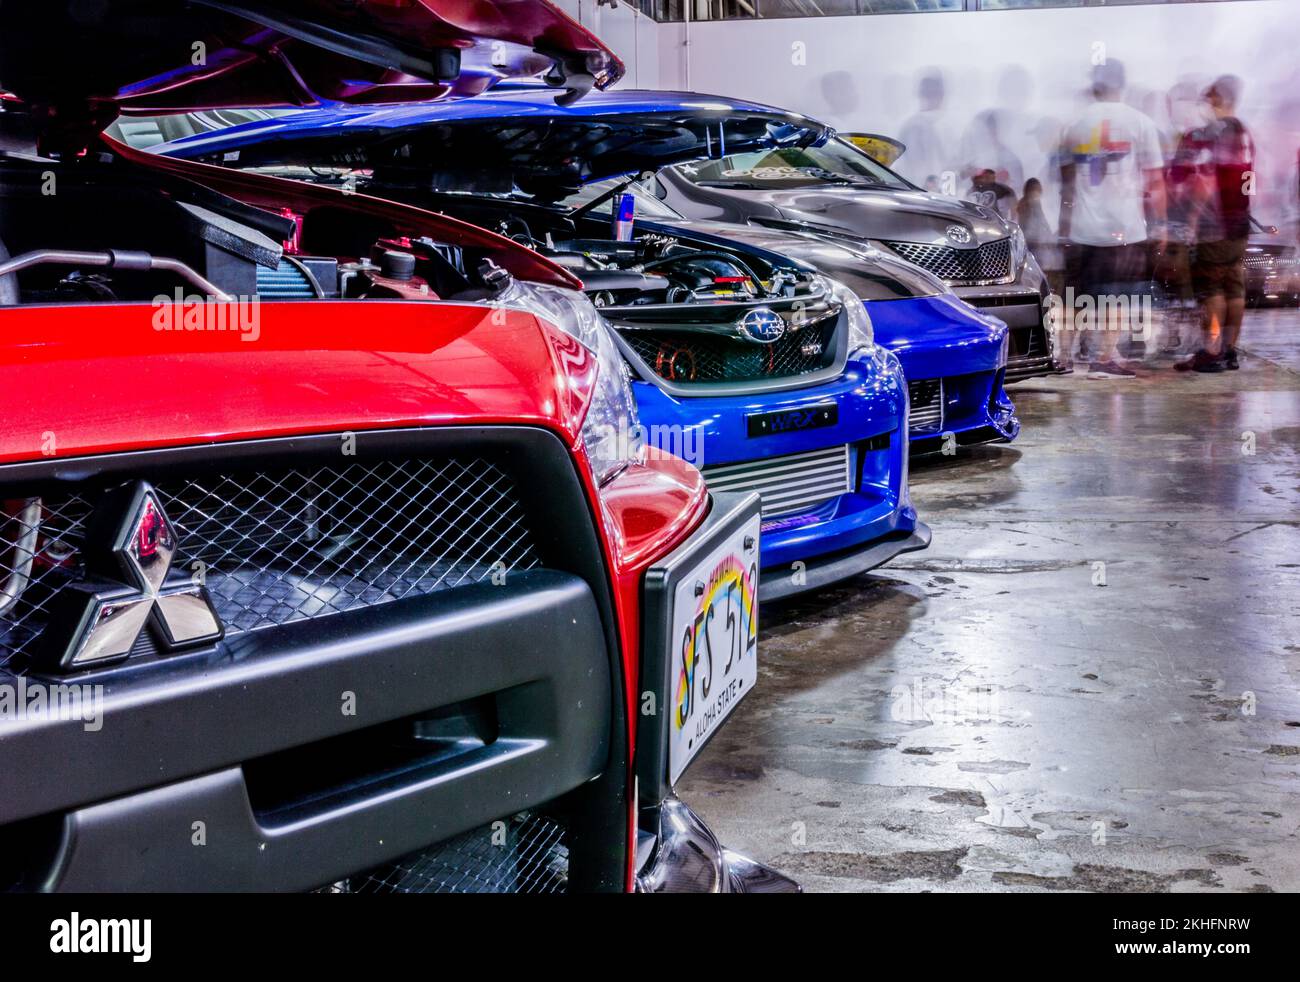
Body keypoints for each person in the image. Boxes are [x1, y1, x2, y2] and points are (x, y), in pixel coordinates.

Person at [1059, 60, 1167, 378]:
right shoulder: (1140, 123)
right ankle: (1103, 358)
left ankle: (1064, 357)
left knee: (1074, 294)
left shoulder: (1075, 124)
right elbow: (1155, 182)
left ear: (1094, 85)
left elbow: (1065, 183)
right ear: (1122, 84)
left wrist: (1064, 225)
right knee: (1117, 295)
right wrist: (1160, 224)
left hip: (1082, 226)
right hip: (1124, 227)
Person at [1172, 75, 1255, 372]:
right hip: (1239, 224)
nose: (1206, 102)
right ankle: (1230, 350)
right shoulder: (1244, 132)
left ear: (1219, 98)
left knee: (1212, 289)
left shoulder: (1215, 132)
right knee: (1234, 288)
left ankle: (1212, 351)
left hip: (1214, 227)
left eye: (1210, 97)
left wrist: (1193, 219)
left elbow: (1205, 179)